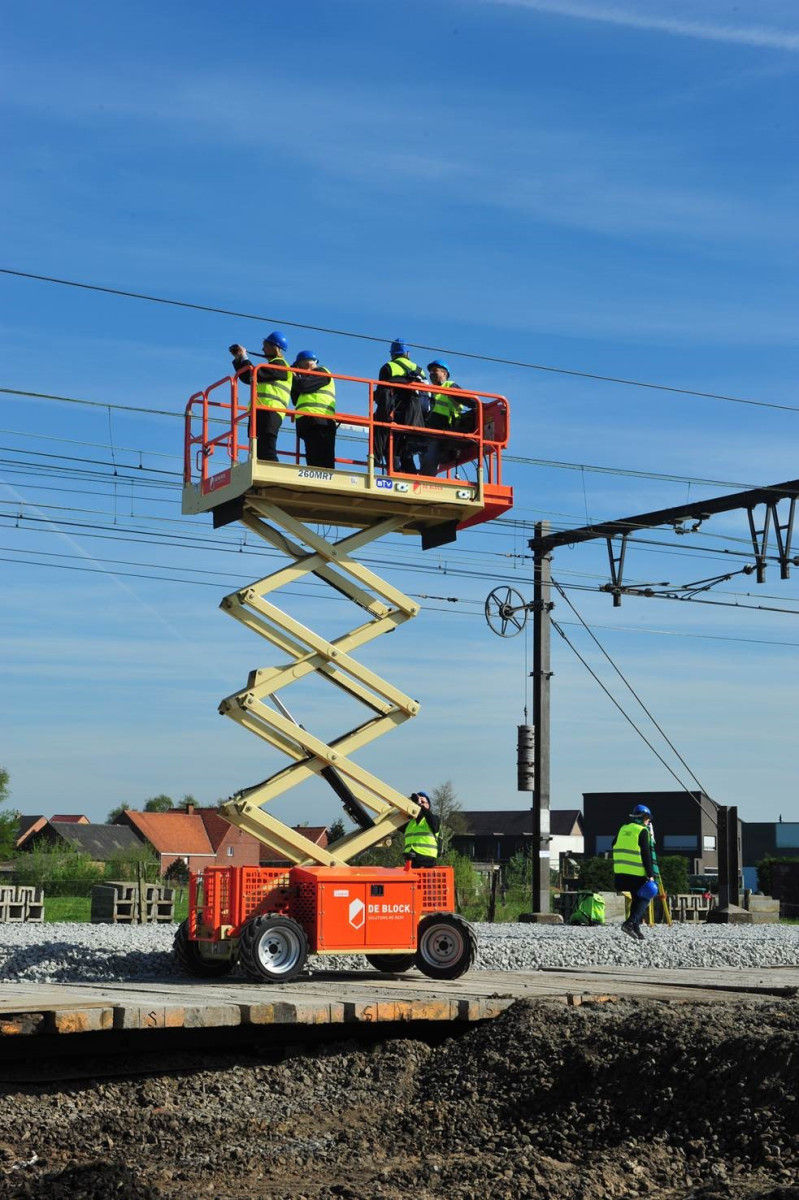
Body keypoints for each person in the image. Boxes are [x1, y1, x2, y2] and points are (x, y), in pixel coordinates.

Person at [229, 333, 292, 462]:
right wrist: (239, 359)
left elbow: (255, 373)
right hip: (259, 411)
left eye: (265, 346)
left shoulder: (281, 365)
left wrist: (245, 357)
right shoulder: (270, 367)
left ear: (275, 347)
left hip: (270, 411)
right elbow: (247, 377)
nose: (262, 349)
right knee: (257, 451)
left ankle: (274, 478)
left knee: (267, 450)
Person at [374, 340, 428, 473]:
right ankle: (411, 476)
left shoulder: (388, 367)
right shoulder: (419, 370)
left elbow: (383, 395)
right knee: (406, 452)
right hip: (417, 419)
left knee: (391, 448)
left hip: (396, 414)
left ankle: (395, 474)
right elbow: (426, 396)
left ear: (392, 354)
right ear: (407, 353)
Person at [419, 359, 477, 477]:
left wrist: (480, 407)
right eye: (430, 372)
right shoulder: (429, 390)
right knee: (424, 453)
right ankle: (423, 478)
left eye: (435, 371)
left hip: (444, 429)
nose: (431, 374)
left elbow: (469, 401)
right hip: (429, 430)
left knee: (431, 455)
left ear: (445, 374)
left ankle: (426, 482)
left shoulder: (450, 386)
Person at [612, 803, 658, 941]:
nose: (649, 822)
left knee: (636, 899)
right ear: (645, 818)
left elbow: (613, 844)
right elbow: (646, 854)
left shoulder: (623, 828)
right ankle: (629, 923)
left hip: (621, 873)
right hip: (637, 873)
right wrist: (650, 875)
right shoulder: (642, 831)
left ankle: (636, 929)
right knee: (645, 897)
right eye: (648, 819)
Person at [290, 350, 337, 469]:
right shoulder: (305, 379)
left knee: (322, 463)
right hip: (308, 423)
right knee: (312, 462)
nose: (299, 370)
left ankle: (326, 485)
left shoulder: (322, 372)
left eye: (300, 366)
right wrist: (294, 378)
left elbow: (303, 386)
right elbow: (295, 399)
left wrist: (294, 377)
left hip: (321, 422)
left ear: (308, 364)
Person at [403, 790, 440, 869]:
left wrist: (420, 805)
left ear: (428, 806)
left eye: (423, 802)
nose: (419, 804)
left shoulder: (433, 819)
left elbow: (429, 816)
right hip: (411, 862)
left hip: (427, 862)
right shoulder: (410, 823)